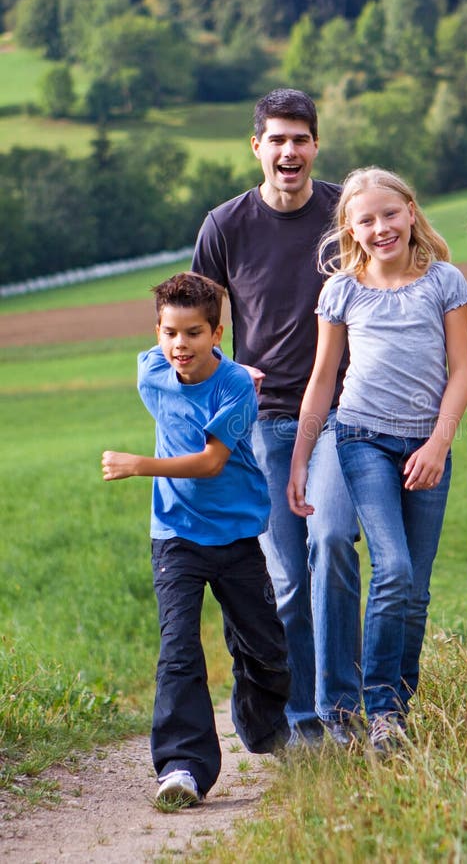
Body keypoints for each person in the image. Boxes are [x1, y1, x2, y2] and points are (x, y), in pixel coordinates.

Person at [191, 89, 361, 745]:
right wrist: (223, 378)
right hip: (261, 424)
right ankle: (300, 717)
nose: (289, 151)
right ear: (256, 146)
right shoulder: (225, 225)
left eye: (301, 138)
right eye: (277, 139)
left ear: (316, 145)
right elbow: (195, 324)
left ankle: (345, 711)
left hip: (342, 418)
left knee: (333, 546)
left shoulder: (345, 212)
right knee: (286, 582)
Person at [287, 167, 467, 753]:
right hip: (361, 438)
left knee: (413, 589)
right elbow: (322, 381)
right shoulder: (342, 290)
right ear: (350, 228)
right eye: (365, 219)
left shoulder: (444, 281)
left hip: (426, 444)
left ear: (411, 212)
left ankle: (398, 710)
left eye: (390, 214)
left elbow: (462, 371)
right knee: (391, 568)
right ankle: (381, 711)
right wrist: (299, 461)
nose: (381, 227)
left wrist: (439, 443)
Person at [101, 272, 290, 806]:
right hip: (176, 537)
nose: (179, 345)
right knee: (178, 648)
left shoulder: (234, 389)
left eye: (193, 333)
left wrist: (142, 465)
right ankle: (182, 766)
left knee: (266, 649)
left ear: (217, 333)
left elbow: (210, 462)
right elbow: (164, 349)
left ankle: (265, 730)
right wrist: (177, 336)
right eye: (169, 333)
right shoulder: (150, 369)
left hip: (235, 538)